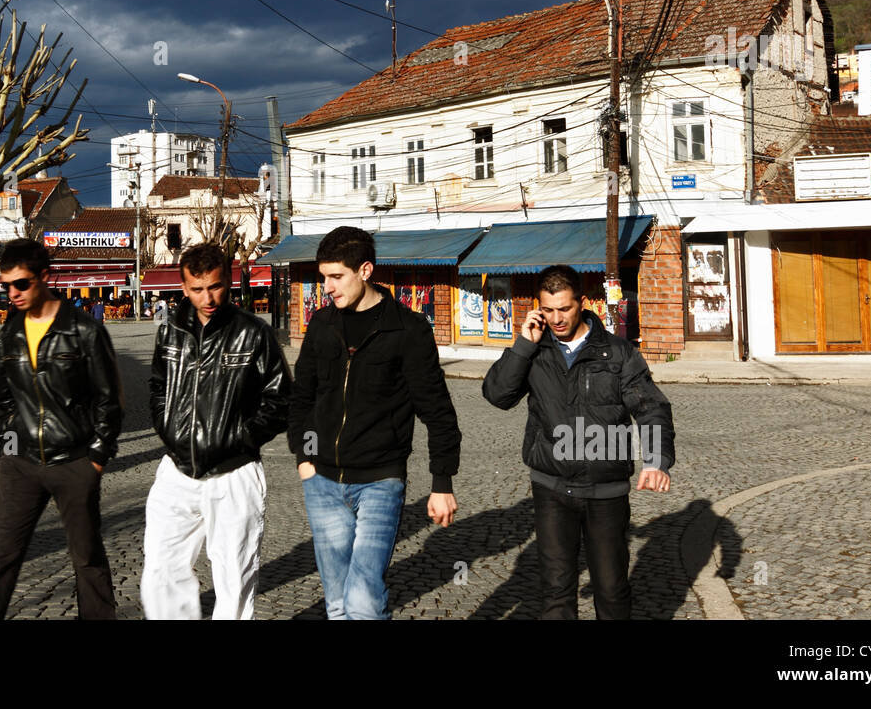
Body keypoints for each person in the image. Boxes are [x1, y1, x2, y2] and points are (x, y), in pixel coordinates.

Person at [481, 264, 675, 620]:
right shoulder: (535, 351)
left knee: (611, 588)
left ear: (583, 304)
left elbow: (650, 407)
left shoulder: (617, 353)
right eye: (548, 310)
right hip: (552, 488)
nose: (556, 318)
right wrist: (523, 344)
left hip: (606, 490)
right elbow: (497, 395)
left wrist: (656, 460)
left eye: (565, 309)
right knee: (555, 591)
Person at [288, 226, 461, 620]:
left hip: (381, 481)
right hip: (322, 482)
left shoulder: (408, 329)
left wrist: (441, 483)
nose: (326, 287)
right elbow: (302, 398)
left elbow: (437, 411)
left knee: (362, 603)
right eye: (323, 278)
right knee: (336, 604)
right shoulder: (321, 324)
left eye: (336, 277)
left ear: (365, 270)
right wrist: (306, 460)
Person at [0, 237, 125, 620]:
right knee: (1, 556)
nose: (13, 293)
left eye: (21, 284)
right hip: (20, 464)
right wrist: (6, 454)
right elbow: (5, 398)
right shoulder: (11, 332)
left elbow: (110, 400)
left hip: (73, 461)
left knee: (86, 557)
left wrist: (96, 461)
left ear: (44, 277)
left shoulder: (84, 331)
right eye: (6, 286)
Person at [142, 243, 291, 619]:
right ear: (183, 285)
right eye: (197, 288)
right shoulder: (170, 331)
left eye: (215, 286)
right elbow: (159, 388)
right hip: (176, 469)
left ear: (228, 280)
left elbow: (280, 401)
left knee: (234, 575)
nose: (207, 297)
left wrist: (239, 438)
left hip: (234, 473)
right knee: (161, 569)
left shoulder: (254, 333)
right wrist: (169, 428)